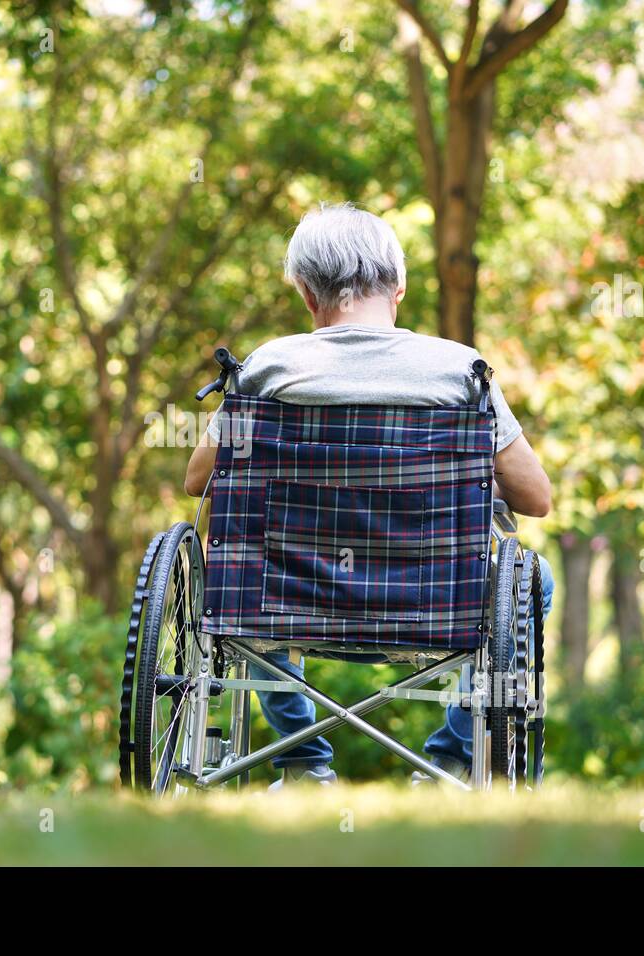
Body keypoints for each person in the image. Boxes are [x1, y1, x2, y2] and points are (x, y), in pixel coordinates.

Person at [183, 202, 555, 788]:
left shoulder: (266, 369)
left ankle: (302, 761)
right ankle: (449, 763)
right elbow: (535, 498)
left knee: (230, 566)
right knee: (537, 580)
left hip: (285, 600)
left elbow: (199, 481)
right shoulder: (460, 372)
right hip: (435, 603)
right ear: (400, 286)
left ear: (306, 294)